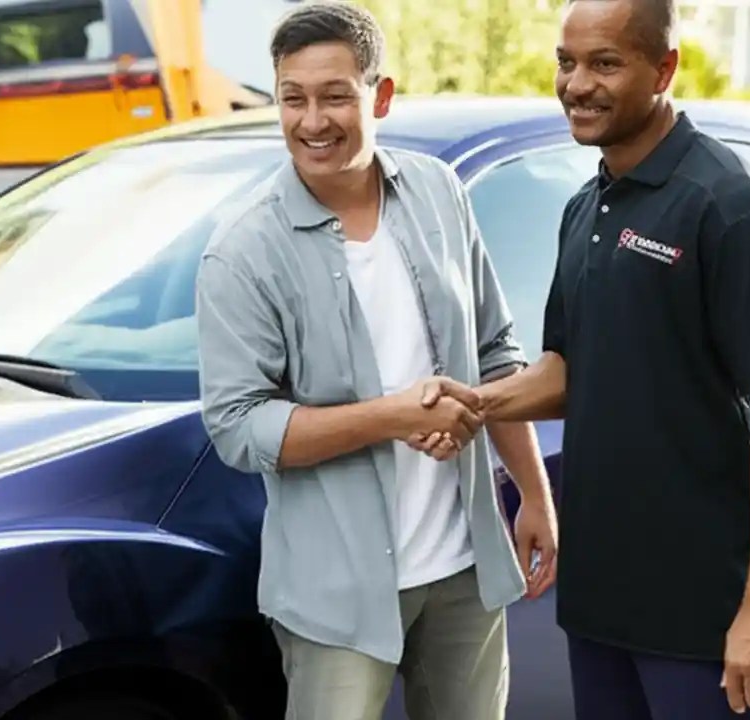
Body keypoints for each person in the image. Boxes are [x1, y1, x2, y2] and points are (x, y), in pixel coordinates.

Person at [423, 0, 750, 717]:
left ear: (664, 67)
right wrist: (479, 405)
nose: (577, 84)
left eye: (605, 63)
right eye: (567, 62)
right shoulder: (586, 208)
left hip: (701, 604)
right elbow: (572, 367)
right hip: (600, 597)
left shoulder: (730, 206)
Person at [194, 2, 560, 718]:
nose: (312, 120)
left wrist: (534, 494)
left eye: (335, 95)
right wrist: (390, 418)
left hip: (464, 567)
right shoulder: (242, 252)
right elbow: (239, 429)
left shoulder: (438, 194)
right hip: (336, 595)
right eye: (293, 99)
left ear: (380, 96)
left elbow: (494, 356)